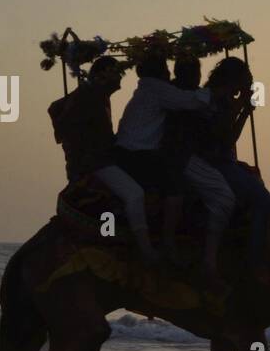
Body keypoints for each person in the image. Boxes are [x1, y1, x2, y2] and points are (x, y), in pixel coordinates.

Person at [47, 57, 160, 265]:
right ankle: (145, 248)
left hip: (102, 158)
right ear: (103, 75)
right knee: (134, 194)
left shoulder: (96, 96)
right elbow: (60, 112)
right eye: (116, 73)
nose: (120, 78)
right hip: (94, 163)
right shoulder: (88, 97)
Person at [113, 54, 212, 266]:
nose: (169, 73)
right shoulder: (158, 89)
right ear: (160, 71)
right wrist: (211, 92)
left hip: (131, 151)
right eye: (166, 68)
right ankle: (168, 243)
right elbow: (192, 102)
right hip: (138, 154)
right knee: (177, 188)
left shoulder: (147, 90)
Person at [195, 57, 270, 282]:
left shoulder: (219, 99)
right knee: (263, 202)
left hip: (221, 160)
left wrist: (241, 107)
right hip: (215, 162)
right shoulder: (217, 102)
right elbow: (227, 138)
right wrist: (244, 112)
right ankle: (254, 260)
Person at [163, 57, 236, 287]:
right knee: (225, 198)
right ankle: (209, 262)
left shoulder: (196, 96)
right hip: (181, 156)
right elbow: (222, 137)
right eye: (194, 72)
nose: (197, 78)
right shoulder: (183, 97)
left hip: (194, 156)